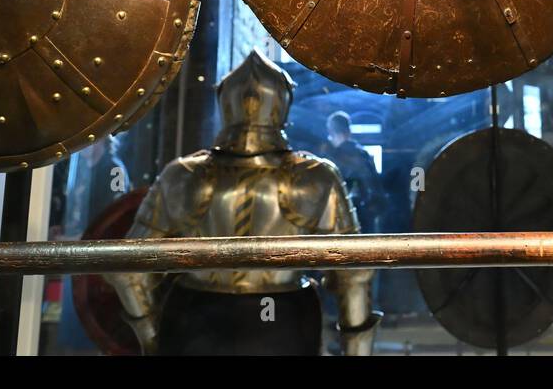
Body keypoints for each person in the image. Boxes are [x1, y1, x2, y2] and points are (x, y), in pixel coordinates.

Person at [110, 51, 380, 355]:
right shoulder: (316, 177)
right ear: (282, 104)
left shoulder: (183, 174)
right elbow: (354, 275)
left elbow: (128, 272)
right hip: (282, 322)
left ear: (225, 103)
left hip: (196, 320)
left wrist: (151, 340)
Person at [324, 110, 381, 233]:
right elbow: (376, 189)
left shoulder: (334, 158)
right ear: (348, 130)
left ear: (332, 132)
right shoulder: (363, 154)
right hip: (367, 217)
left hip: (344, 218)